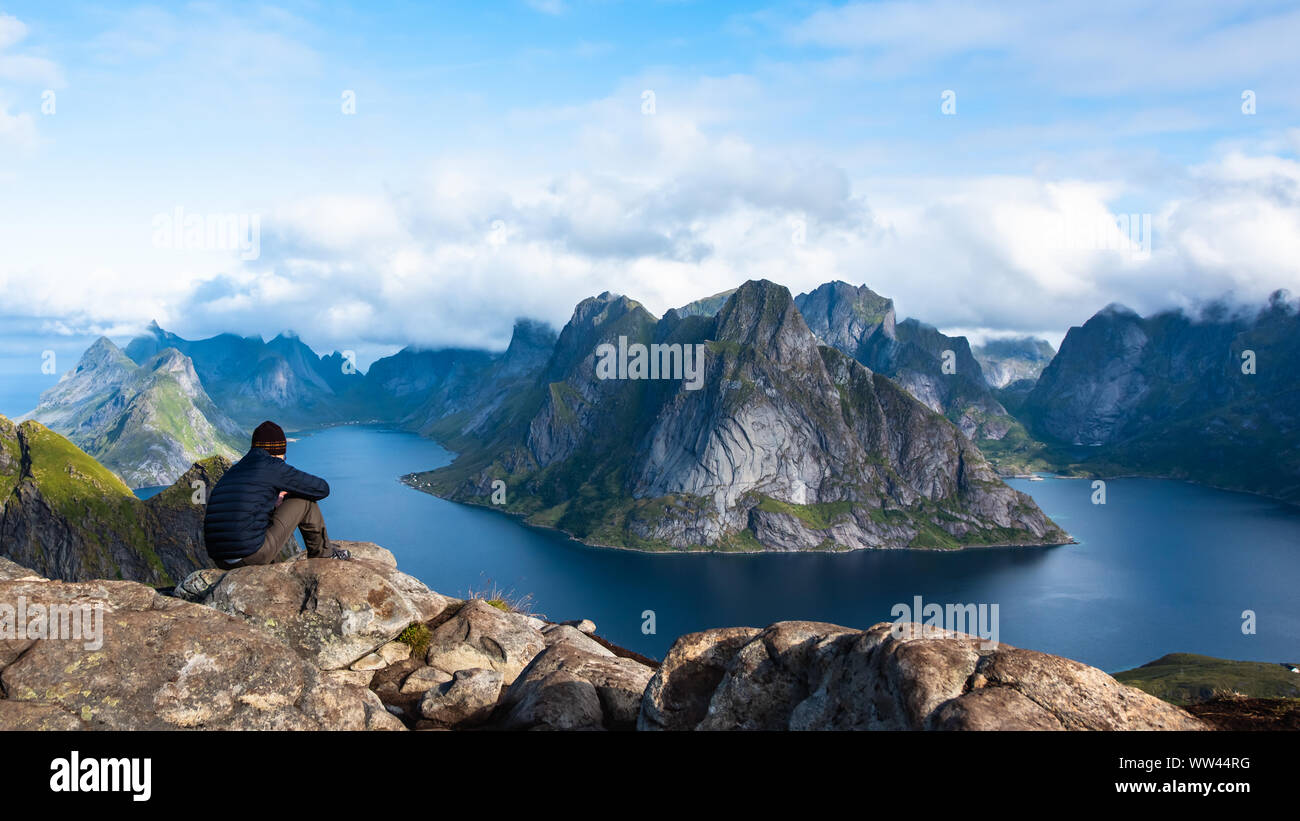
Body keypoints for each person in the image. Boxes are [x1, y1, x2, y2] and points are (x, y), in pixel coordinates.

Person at [203, 420, 350, 569]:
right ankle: (324, 555)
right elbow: (321, 488)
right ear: (278, 452)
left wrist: (273, 501)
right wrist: (289, 492)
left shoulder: (235, 469)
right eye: (284, 457)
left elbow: (245, 509)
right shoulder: (272, 466)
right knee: (304, 501)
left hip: (220, 559)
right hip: (250, 555)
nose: (284, 461)